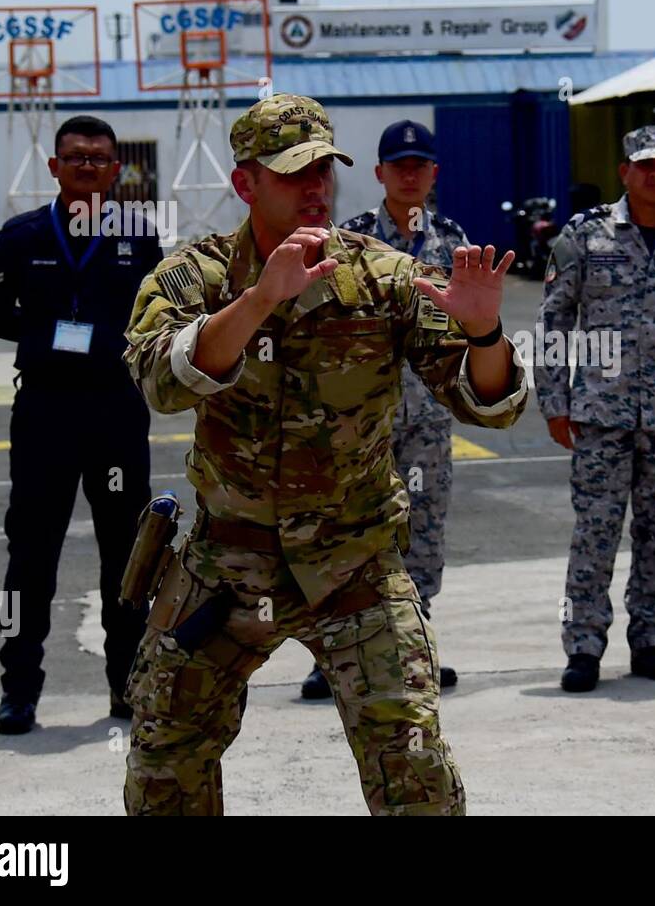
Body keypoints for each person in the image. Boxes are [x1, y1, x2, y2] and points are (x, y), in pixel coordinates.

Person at [121, 94, 526, 815]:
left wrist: (487, 333)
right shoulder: (197, 276)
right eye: (291, 174)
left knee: (412, 763)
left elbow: (488, 404)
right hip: (228, 566)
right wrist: (258, 301)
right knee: (165, 752)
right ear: (246, 184)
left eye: (323, 172)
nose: (314, 189)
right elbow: (161, 379)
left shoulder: (383, 278)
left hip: (353, 562)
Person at [0, 115, 161, 735]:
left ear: (117, 170)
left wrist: (107, 344)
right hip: (46, 413)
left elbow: (159, 317)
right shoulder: (22, 236)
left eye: (100, 158)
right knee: (30, 557)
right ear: (53, 167)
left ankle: (128, 686)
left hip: (115, 411)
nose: (87, 166)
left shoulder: (141, 236)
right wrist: (55, 338)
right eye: (75, 157)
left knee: (127, 556)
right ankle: (18, 691)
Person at [536, 125, 655, 693]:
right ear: (625, 172)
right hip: (600, 415)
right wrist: (554, 402)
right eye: (645, 165)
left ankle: (651, 637)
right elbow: (555, 321)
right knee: (596, 531)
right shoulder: (584, 235)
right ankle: (583, 644)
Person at [299, 120, 468, 701]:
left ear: (433, 173)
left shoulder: (454, 243)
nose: (410, 173)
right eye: (399, 165)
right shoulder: (346, 240)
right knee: (348, 534)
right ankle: (333, 660)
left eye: (420, 165)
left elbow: (467, 330)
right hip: (356, 420)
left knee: (423, 536)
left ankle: (414, 650)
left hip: (427, 420)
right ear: (379, 174)